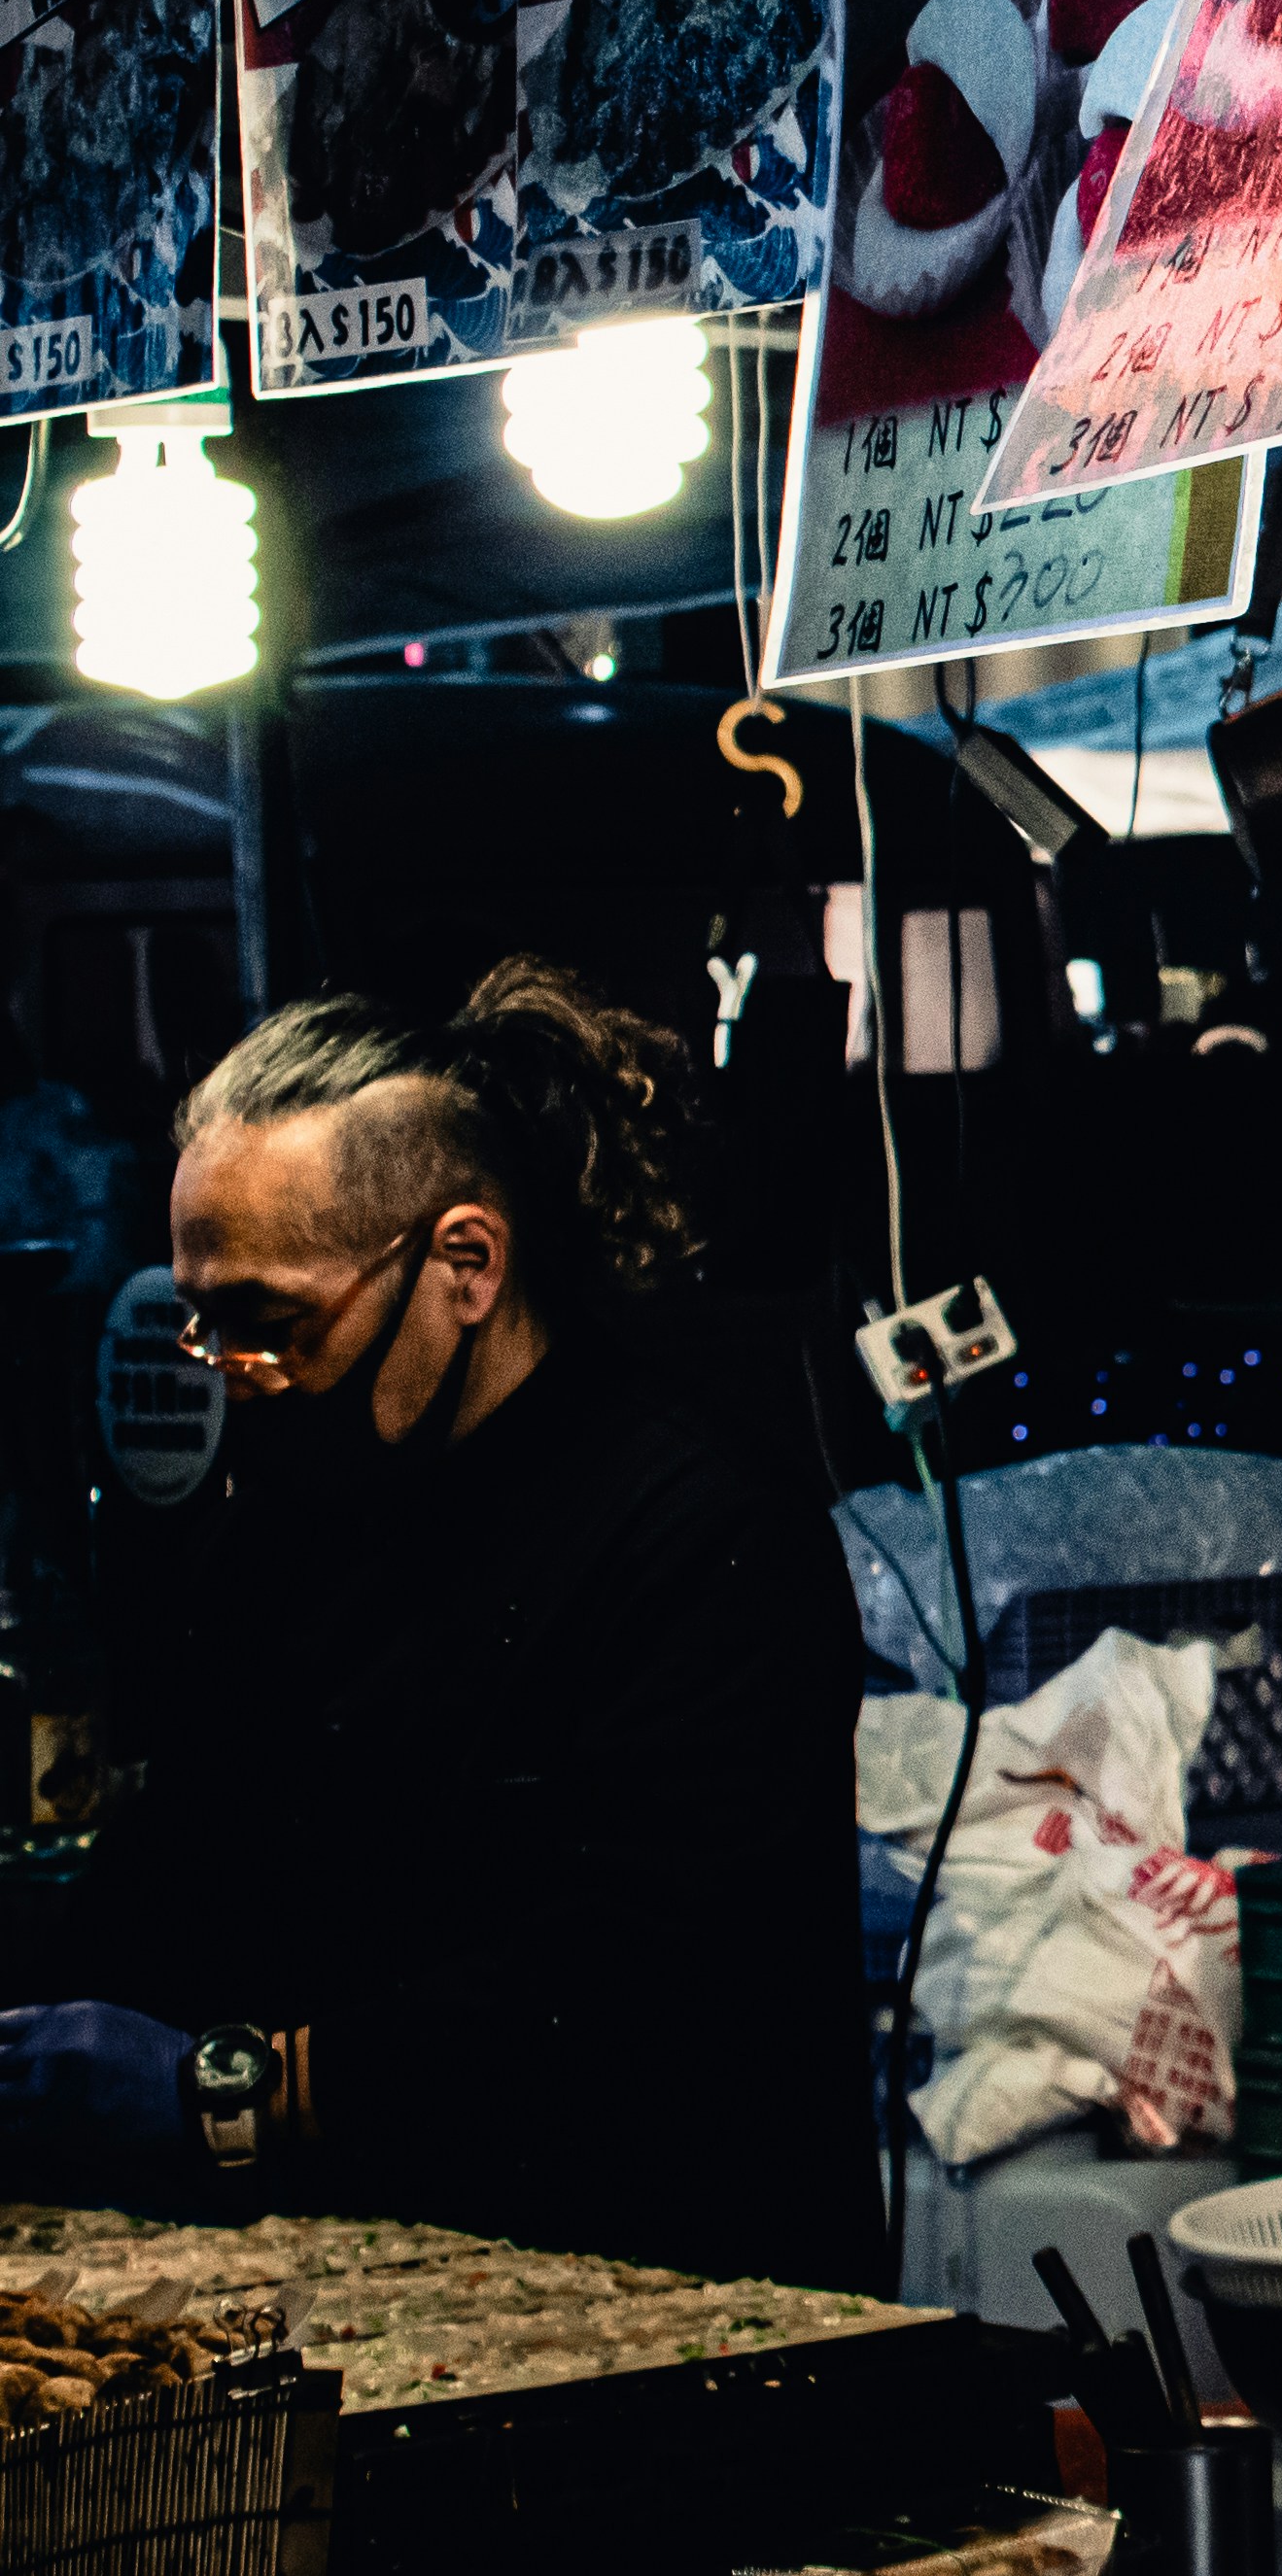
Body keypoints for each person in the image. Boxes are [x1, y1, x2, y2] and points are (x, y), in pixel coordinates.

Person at [0, 960, 868, 2284]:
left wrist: (233, 2090)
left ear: (465, 1262)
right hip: (351, 2281)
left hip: (671, 2305)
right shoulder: (291, 1519)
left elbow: (632, 1990)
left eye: (271, 1323)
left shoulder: (704, 1535)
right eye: (204, 1326)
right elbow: (184, 1865)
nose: (239, 1378)